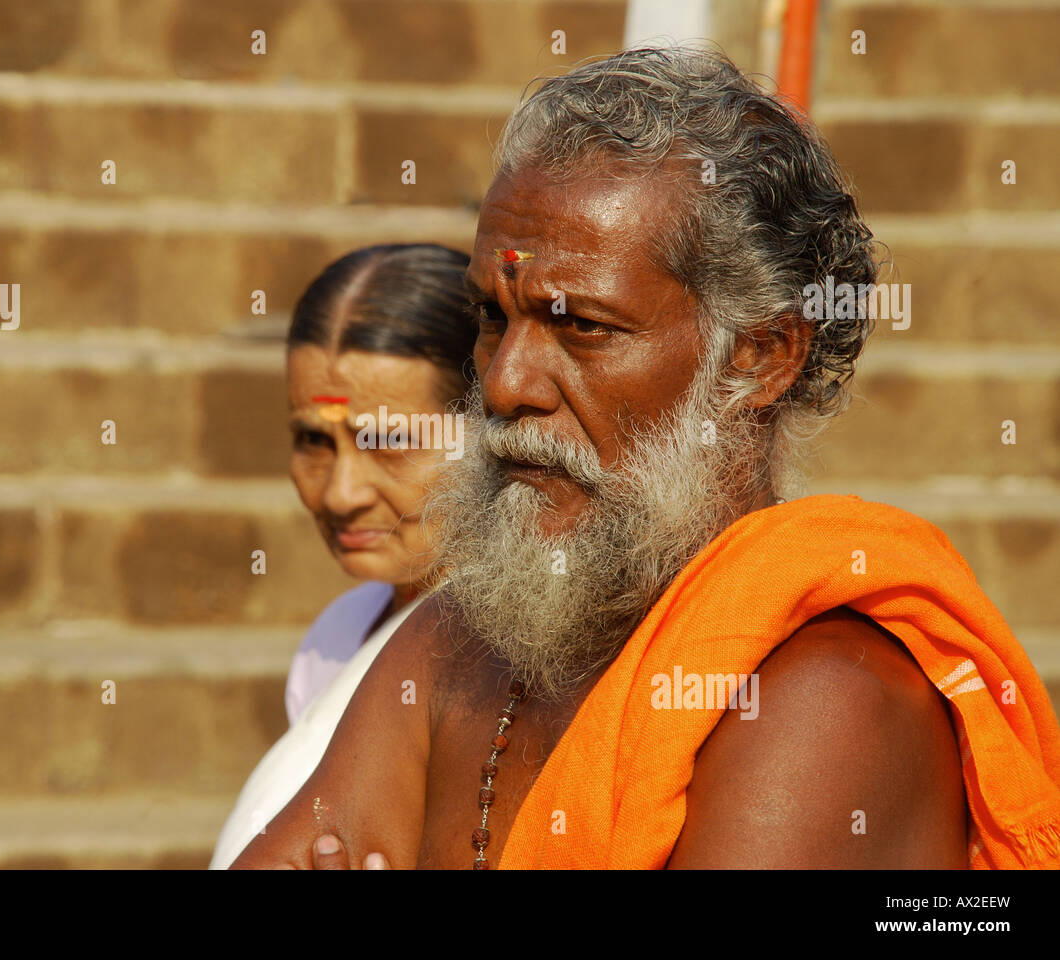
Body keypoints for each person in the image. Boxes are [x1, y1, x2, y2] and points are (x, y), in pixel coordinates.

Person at [231, 46, 1060, 870]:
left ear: (760, 355)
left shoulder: (822, 693)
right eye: (492, 317)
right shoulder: (454, 642)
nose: (508, 384)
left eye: (583, 327)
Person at [208, 243, 476, 868]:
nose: (340, 493)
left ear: (490, 431)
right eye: (312, 440)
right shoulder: (337, 636)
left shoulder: (523, 656)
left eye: (389, 441)